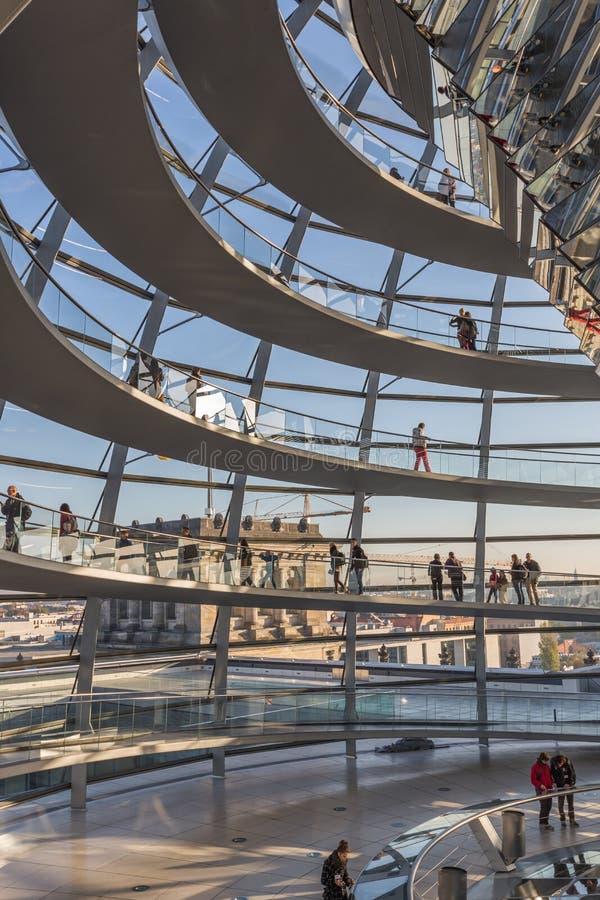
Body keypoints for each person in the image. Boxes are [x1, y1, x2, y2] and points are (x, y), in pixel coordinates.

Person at [551, 754, 579, 827]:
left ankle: (572, 820)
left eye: (560, 764)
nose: (559, 766)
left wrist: (569, 784)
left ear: (563, 762)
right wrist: (553, 783)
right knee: (560, 805)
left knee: (570, 804)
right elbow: (552, 774)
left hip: (568, 786)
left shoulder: (568, 763)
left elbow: (572, 774)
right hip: (560, 787)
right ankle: (562, 820)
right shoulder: (553, 763)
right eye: (558, 764)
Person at [1, 485, 30, 553]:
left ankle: (4, 554)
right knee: (15, 543)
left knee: (11, 540)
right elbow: (5, 512)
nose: (8, 494)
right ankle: (17, 557)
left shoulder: (21, 500)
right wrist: (3, 507)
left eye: (9, 492)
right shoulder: (8, 501)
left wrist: (19, 520)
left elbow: (28, 512)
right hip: (10, 525)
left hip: (17, 525)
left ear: (14, 491)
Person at [531, 751, 555, 830]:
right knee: (544, 806)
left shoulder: (547, 766)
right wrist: (540, 785)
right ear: (541, 759)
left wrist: (552, 783)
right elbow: (533, 780)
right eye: (545, 760)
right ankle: (543, 822)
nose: (546, 762)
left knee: (549, 805)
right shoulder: (535, 767)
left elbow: (549, 777)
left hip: (548, 789)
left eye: (547, 761)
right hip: (540, 790)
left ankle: (545, 821)